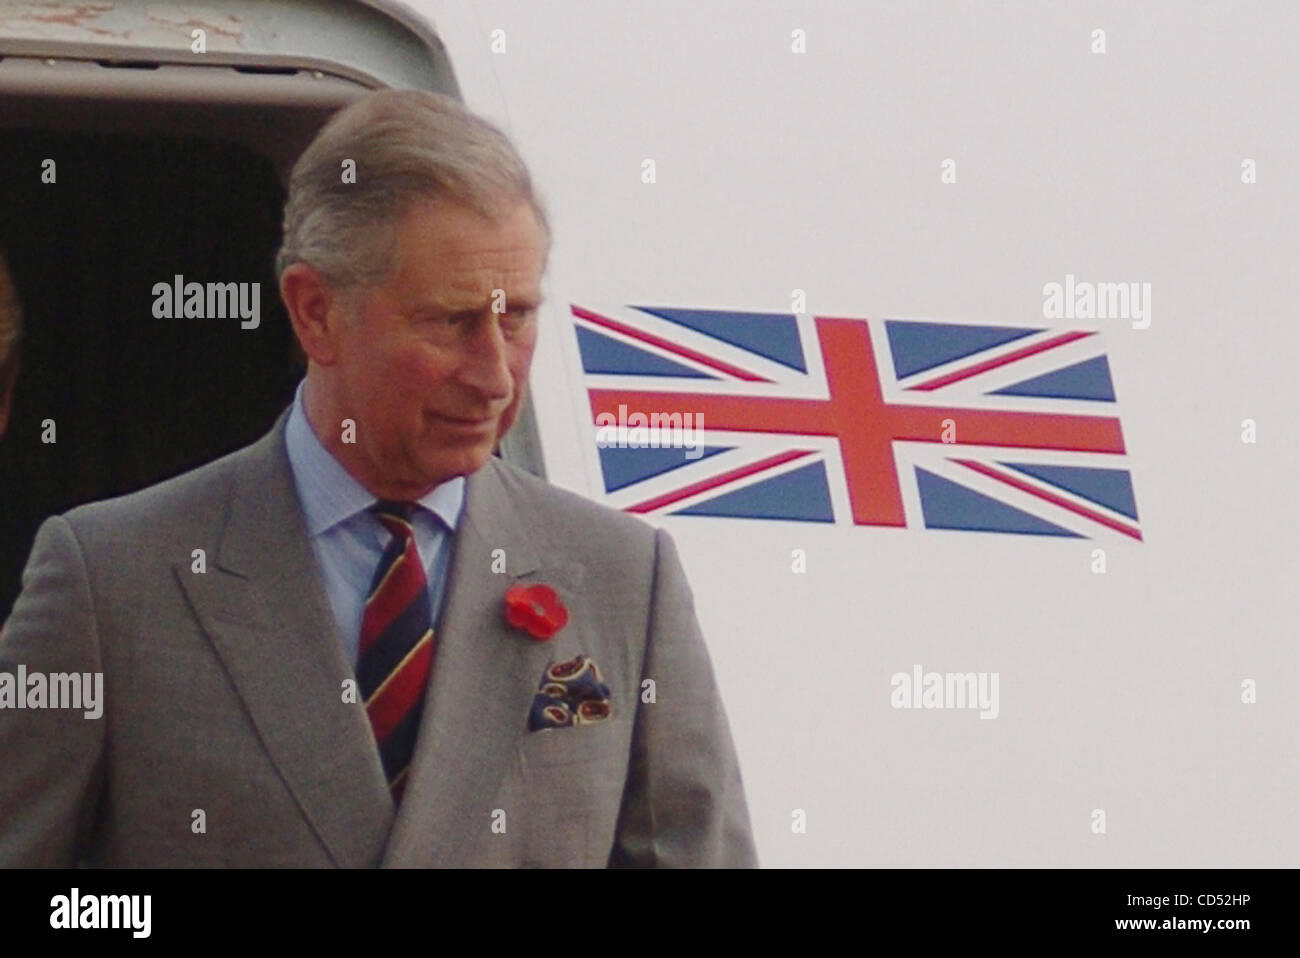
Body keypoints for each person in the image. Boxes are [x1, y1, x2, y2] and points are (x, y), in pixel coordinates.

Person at [0, 90, 758, 867]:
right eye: (452, 322)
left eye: (518, 317)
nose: (495, 376)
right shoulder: (113, 582)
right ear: (316, 312)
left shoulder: (625, 581)